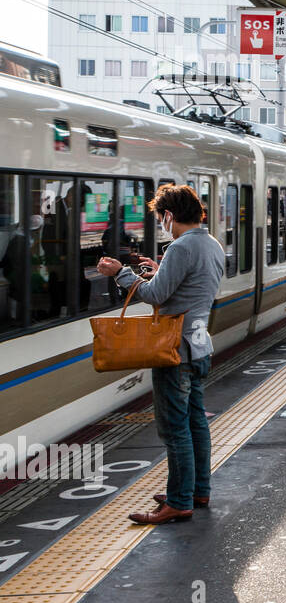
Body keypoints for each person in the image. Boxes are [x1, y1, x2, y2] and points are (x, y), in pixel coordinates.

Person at [94, 184, 224, 525]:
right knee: (196, 422)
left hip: (174, 350)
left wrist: (119, 273)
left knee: (174, 427)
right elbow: (187, 288)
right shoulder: (211, 244)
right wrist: (159, 270)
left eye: (161, 219)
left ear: (169, 216)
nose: (163, 225)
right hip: (199, 346)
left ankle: (179, 501)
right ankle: (197, 489)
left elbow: (155, 296)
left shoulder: (181, 247)